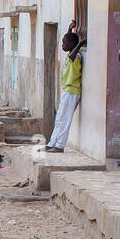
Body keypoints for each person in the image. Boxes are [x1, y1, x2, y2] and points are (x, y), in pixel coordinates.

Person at [46, 19, 85, 153]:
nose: (62, 45)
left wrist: (80, 43)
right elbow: (70, 45)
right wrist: (69, 30)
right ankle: (52, 143)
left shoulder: (76, 56)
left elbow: (74, 49)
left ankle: (60, 145)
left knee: (65, 119)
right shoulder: (71, 54)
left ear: (72, 45)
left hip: (73, 91)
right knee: (60, 118)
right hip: (67, 90)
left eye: (64, 43)